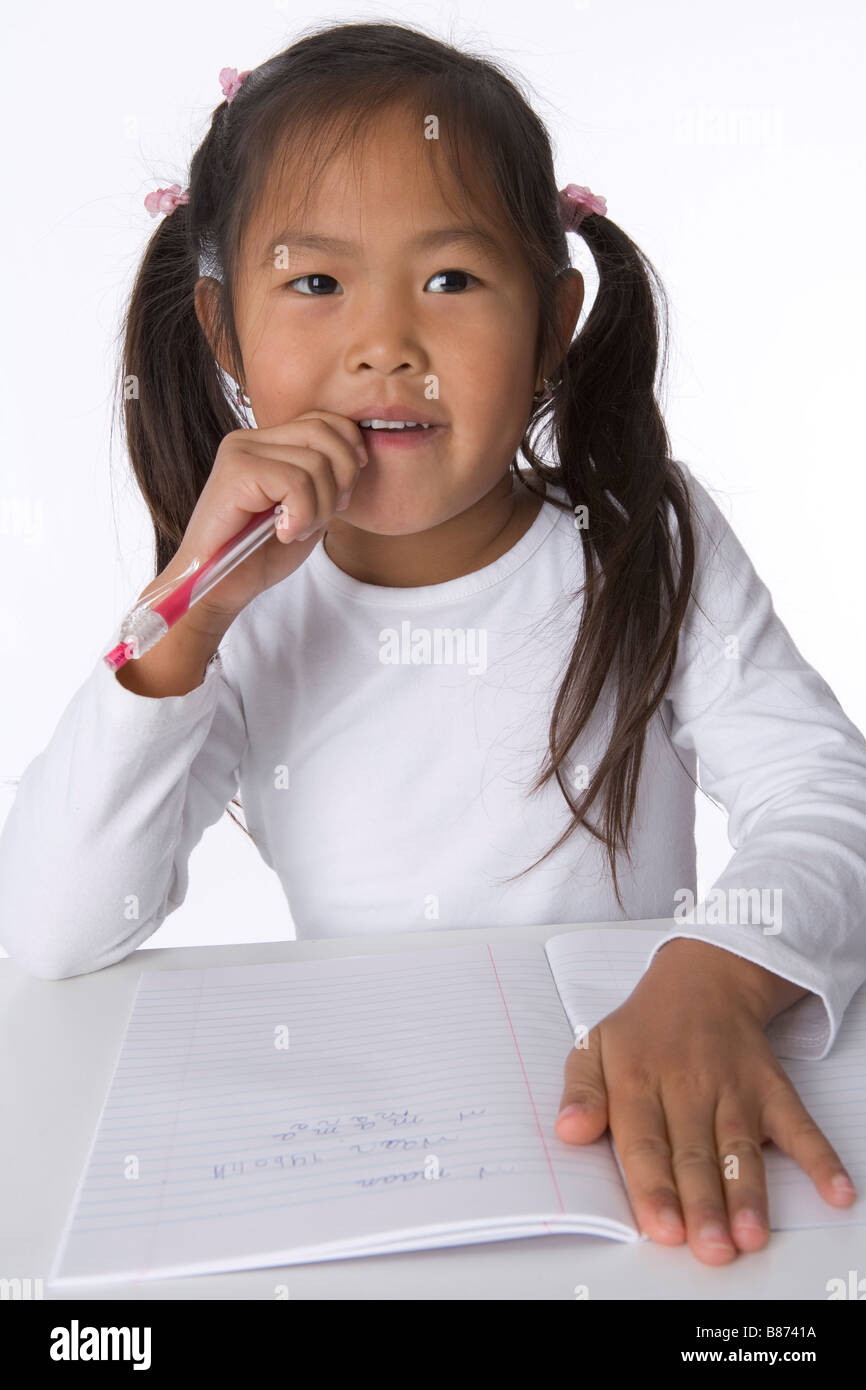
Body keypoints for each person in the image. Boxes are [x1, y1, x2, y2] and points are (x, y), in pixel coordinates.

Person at [1, 22, 864, 1267]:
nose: (384, 343)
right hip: (372, 1164)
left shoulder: (641, 539)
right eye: (314, 283)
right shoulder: (234, 612)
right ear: (222, 329)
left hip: (627, 1142)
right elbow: (54, 927)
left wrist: (715, 973)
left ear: (553, 321)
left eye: (451, 281)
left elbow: (825, 793)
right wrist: (184, 609)